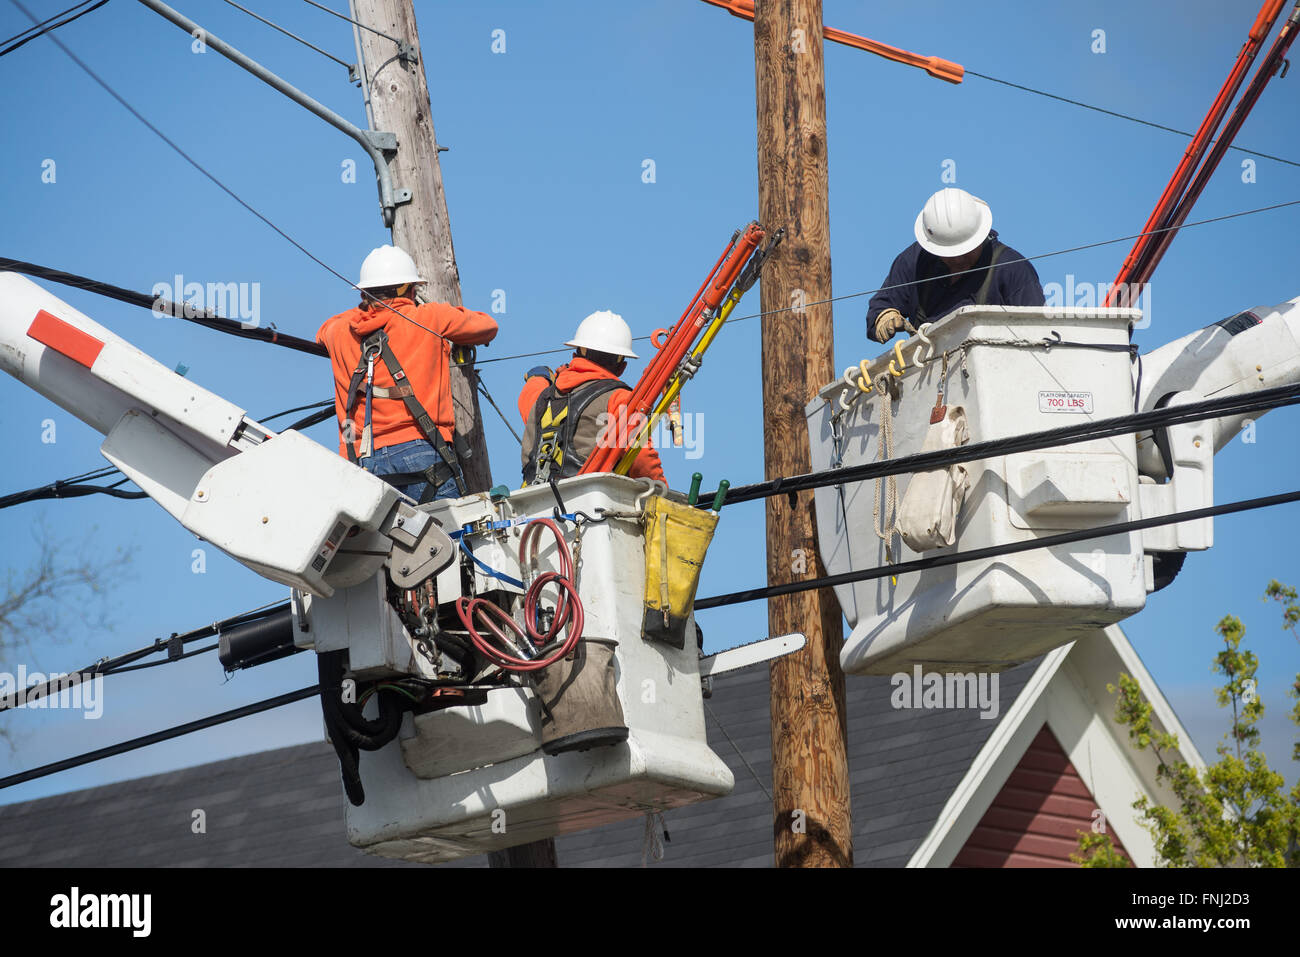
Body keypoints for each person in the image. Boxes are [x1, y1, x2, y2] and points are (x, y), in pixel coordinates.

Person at [317, 244, 499, 502]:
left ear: (364, 293)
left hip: (360, 462)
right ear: (411, 289)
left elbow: (323, 332)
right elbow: (488, 326)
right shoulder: (430, 317)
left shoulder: (338, 331)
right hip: (421, 450)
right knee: (451, 539)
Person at [866, 187, 1044, 342]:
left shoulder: (1012, 269)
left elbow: (1037, 333)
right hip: (929, 373)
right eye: (949, 254)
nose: (958, 260)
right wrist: (885, 317)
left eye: (965, 252)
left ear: (980, 237)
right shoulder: (916, 261)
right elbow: (882, 305)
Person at [518, 310, 666, 485]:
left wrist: (539, 377)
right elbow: (641, 459)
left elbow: (529, 393)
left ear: (575, 356)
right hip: (588, 504)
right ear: (622, 368)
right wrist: (661, 491)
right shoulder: (620, 398)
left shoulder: (542, 399)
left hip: (532, 501)